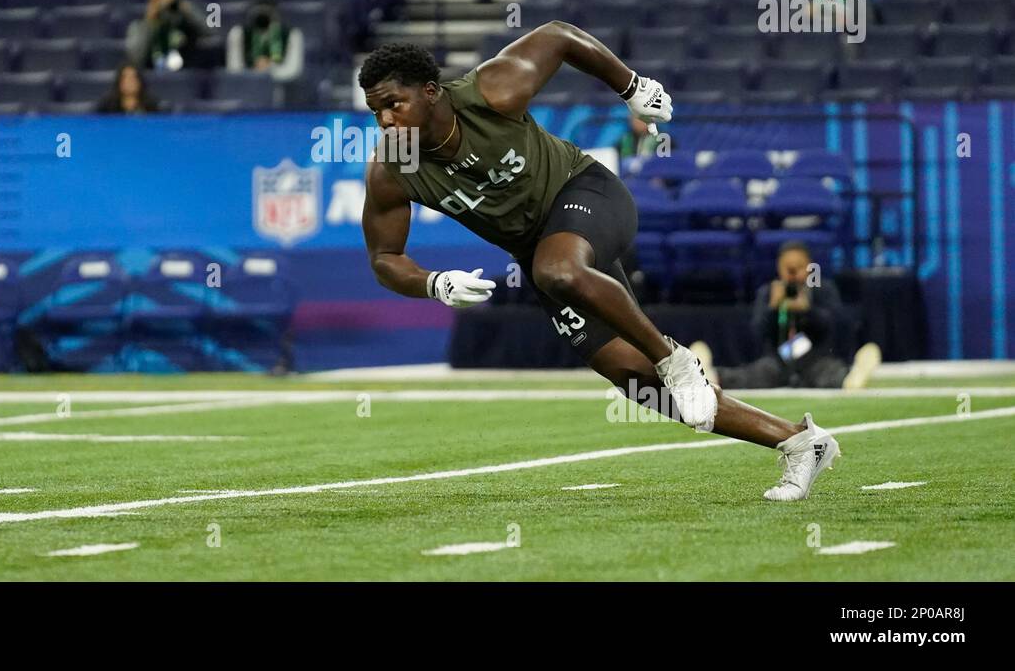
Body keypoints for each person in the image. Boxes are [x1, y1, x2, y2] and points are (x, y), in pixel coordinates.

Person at [359, 31, 842, 501]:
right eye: (375, 109)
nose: (384, 119)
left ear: (429, 91)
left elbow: (560, 36)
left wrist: (631, 87)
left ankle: (677, 360)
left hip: (585, 193)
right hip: (539, 250)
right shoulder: (391, 168)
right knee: (631, 377)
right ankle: (800, 442)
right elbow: (384, 258)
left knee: (559, 272)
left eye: (393, 103)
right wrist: (433, 283)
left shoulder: (492, 90)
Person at [692, 241, 882, 391]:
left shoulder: (822, 290)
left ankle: (856, 374)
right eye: (788, 268)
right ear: (779, 268)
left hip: (814, 359)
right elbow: (757, 332)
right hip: (777, 361)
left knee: (829, 373)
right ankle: (708, 373)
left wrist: (807, 311)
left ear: (809, 267)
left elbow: (836, 326)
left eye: (799, 267)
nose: (794, 274)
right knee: (756, 373)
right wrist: (774, 308)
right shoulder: (769, 292)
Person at [125, 0, 209, 70]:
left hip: (187, 74)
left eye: (171, 2)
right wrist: (149, 21)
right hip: (153, 76)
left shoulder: (187, 21)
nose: (166, 7)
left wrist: (188, 10)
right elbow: (135, 59)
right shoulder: (139, 26)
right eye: (160, 1)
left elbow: (211, 33)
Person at [226, 0, 305, 82]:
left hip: (279, 87)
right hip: (247, 86)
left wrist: (270, 69)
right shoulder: (238, 34)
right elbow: (234, 69)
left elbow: (293, 70)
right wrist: (254, 71)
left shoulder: (292, 34)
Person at [95, 63, 162, 114]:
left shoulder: (153, 107)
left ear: (140, 82)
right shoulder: (106, 107)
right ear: (119, 82)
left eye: (133, 78)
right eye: (125, 78)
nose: (129, 82)